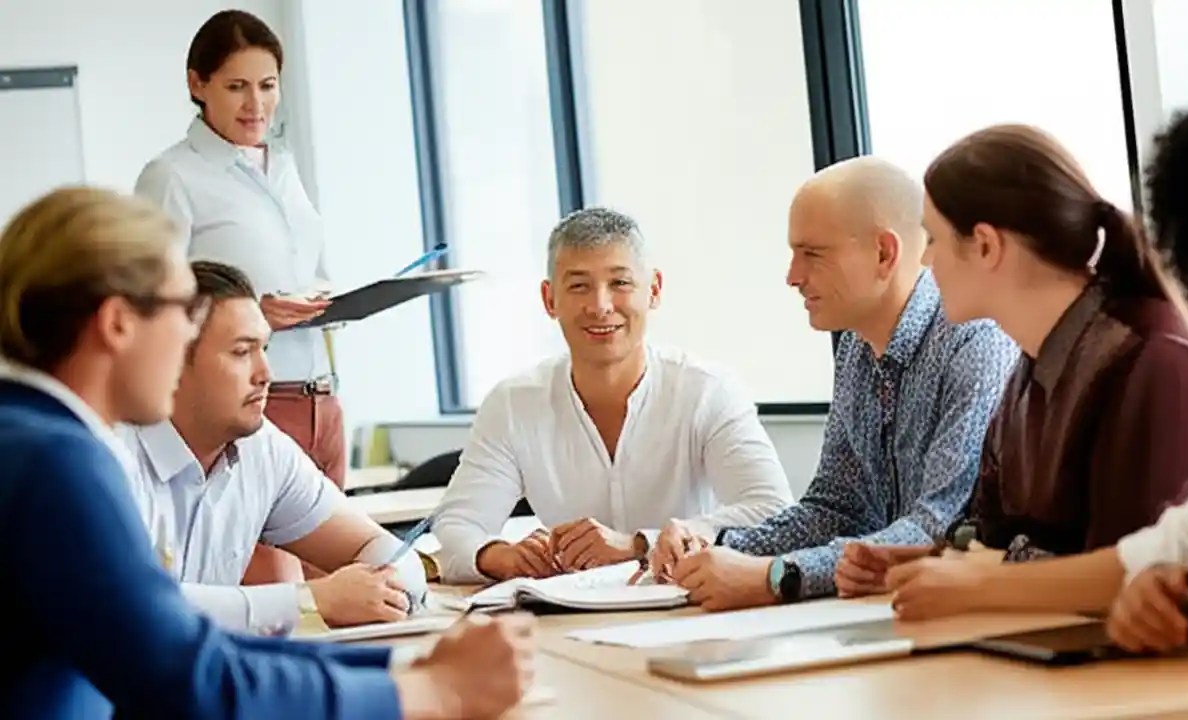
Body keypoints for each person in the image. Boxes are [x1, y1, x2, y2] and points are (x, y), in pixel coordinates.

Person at [0, 187, 533, 719]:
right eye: (181, 314)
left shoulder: (30, 437)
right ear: (117, 323)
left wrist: (399, 675)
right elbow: (192, 681)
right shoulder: (55, 463)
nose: (185, 338)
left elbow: (182, 648)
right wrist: (432, 693)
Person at [878, 71, 1188, 655]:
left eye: (933, 239)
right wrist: (1159, 593)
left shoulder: (1153, 358)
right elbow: (1167, 551)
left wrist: (985, 583)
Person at [666, 157, 1019, 611]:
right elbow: (836, 507)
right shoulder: (856, 346)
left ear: (883, 253)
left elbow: (936, 526)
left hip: (972, 617)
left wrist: (781, 575)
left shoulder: (976, 340)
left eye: (812, 253)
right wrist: (716, 543)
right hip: (891, 610)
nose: (792, 276)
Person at [431, 207, 794, 583]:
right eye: (578, 286)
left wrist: (640, 544)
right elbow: (457, 525)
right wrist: (499, 557)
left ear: (653, 290)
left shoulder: (707, 390)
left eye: (620, 283)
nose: (601, 306)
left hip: (692, 609)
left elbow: (775, 513)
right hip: (568, 622)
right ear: (549, 299)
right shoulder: (513, 404)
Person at [135, 9, 340, 585]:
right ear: (197, 86)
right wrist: (258, 314)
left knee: (342, 586)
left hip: (318, 393)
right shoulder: (173, 176)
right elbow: (157, 301)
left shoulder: (285, 167)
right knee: (280, 598)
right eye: (236, 87)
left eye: (268, 86)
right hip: (251, 402)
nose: (256, 104)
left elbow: (309, 266)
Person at [119, 260, 427, 634]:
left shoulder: (261, 447)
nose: (267, 373)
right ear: (173, 363)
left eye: (264, 348)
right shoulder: (109, 454)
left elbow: (383, 549)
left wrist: (385, 584)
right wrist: (311, 600)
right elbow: (129, 607)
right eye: (241, 352)